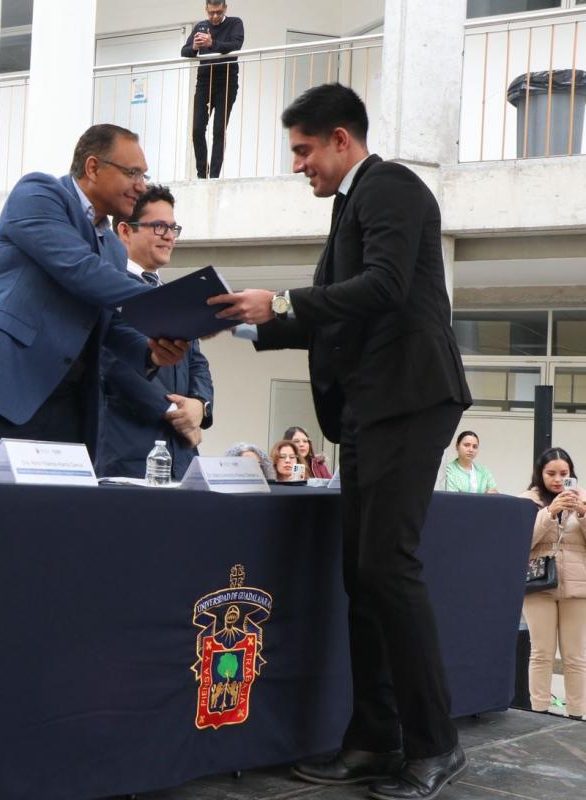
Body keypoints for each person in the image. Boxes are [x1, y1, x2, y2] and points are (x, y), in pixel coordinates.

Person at [212, 83, 473, 800]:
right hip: (366, 406)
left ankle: (435, 743)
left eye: (302, 150)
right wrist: (238, 322)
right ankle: (372, 738)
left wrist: (287, 300)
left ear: (339, 139)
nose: (298, 165)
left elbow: (384, 287)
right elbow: (332, 315)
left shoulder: (390, 187)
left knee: (388, 567)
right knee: (363, 578)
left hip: (410, 397)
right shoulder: (350, 206)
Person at [0, 124, 189, 467]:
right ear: (93, 167)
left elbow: (109, 326)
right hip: (1, 389)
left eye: (144, 175)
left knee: (55, 518)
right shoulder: (39, 193)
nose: (141, 186)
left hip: (69, 407)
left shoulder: (113, 249)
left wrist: (151, 353)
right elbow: (80, 271)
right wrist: (172, 306)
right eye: (132, 172)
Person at [97, 185, 214, 480]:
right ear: (125, 231)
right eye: (159, 226)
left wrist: (200, 406)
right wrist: (177, 412)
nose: (170, 236)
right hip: (128, 452)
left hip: (183, 457)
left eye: (173, 227)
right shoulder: (106, 287)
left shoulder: (175, 296)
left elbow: (197, 362)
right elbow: (112, 363)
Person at [521, 447, 586, 721]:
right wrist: (549, 512)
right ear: (540, 473)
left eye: (564, 473)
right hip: (539, 586)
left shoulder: (583, 499)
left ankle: (576, 714)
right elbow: (522, 541)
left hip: (577, 588)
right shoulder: (527, 500)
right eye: (551, 473)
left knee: (575, 657)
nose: (558, 479)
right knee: (541, 652)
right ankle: (539, 712)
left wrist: (582, 513)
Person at [181, 1, 245, 179]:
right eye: (211, 13)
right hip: (204, 81)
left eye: (218, 12)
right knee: (197, 129)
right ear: (206, 11)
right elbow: (184, 51)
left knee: (218, 130)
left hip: (226, 81)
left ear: (225, 8)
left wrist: (211, 43)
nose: (214, 17)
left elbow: (235, 46)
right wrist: (194, 47)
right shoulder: (201, 26)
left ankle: (215, 176)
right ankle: (202, 173)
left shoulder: (235, 23)